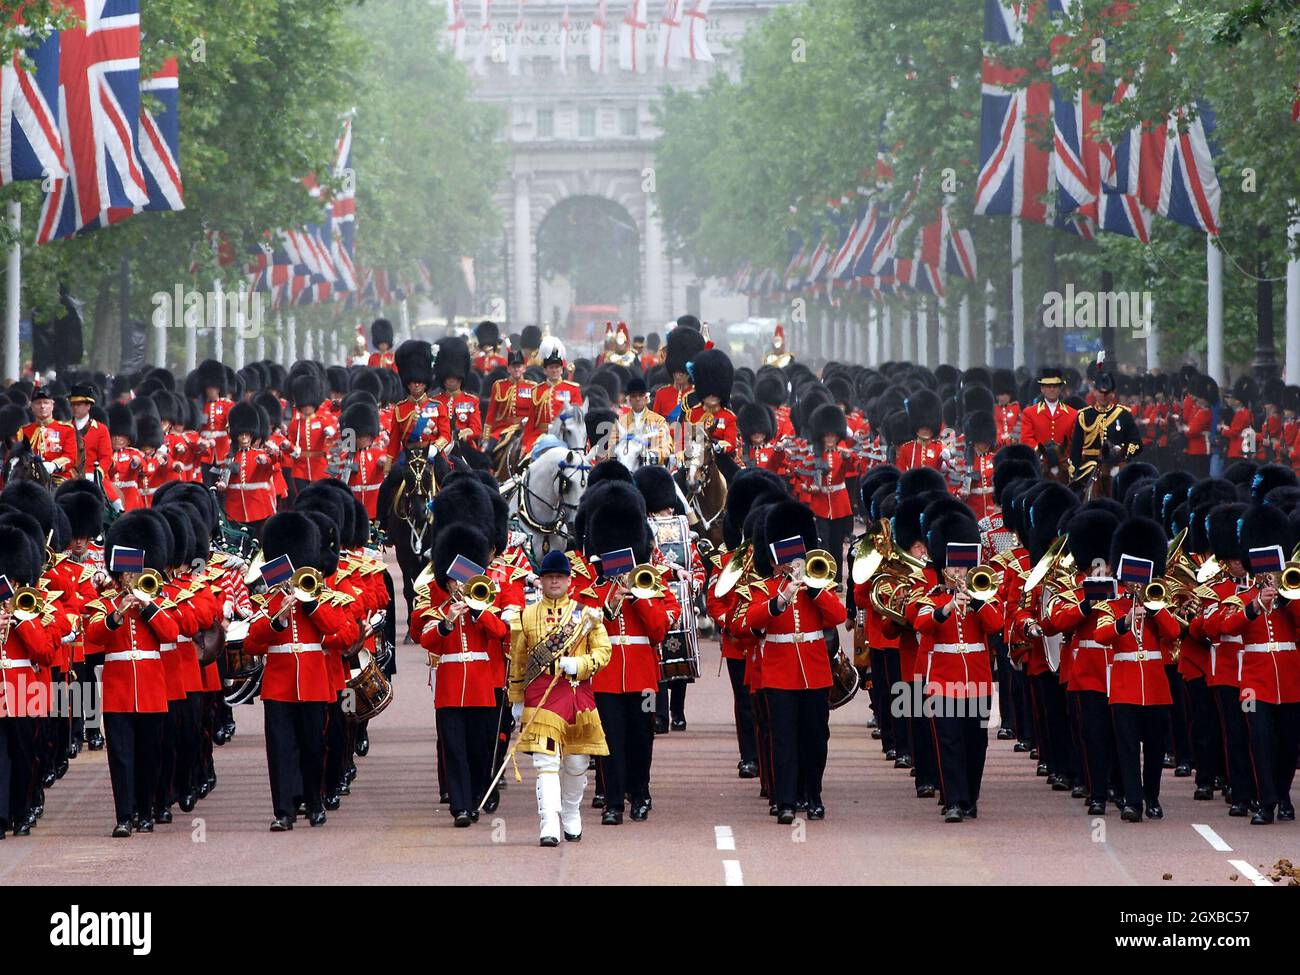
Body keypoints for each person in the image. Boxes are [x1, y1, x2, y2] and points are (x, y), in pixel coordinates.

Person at [241, 512, 359, 831]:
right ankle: (284, 811)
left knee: (313, 746)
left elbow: (339, 630)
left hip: (313, 683)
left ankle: (315, 802)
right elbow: (251, 643)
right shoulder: (269, 601)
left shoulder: (322, 598)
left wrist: (309, 603)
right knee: (280, 750)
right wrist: (276, 619)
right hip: (278, 685)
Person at [744, 500, 846, 823]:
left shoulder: (817, 586)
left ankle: (813, 795)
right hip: (779, 673)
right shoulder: (765, 588)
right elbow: (752, 619)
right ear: (774, 561)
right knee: (784, 738)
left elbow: (839, 615)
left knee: (816, 737)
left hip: (815, 672)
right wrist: (782, 598)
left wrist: (813, 590)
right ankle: (787, 800)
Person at [83, 511, 182, 837]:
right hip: (118, 691)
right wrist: (117, 612)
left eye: (133, 574)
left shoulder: (157, 600)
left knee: (149, 755)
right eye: (124, 575)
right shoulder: (105, 603)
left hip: (152, 690)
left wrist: (147, 606)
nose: (129, 579)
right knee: (122, 758)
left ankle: (145, 811)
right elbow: (95, 635)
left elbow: (170, 634)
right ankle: (124, 816)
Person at [583, 483, 677, 824]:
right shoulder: (593, 591)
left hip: (644, 678)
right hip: (606, 677)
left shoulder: (653, 585)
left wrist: (637, 597)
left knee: (642, 735)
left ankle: (641, 792)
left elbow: (658, 630)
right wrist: (611, 600)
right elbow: (584, 627)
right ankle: (613, 802)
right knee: (609, 740)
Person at [507, 548, 611, 847]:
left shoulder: (587, 615)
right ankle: (548, 822)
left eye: (560, 577)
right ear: (540, 581)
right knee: (546, 762)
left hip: (576, 693)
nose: (554, 582)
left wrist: (580, 665)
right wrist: (516, 699)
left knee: (577, 763)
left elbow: (604, 652)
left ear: (569, 581)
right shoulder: (525, 616)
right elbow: (518, 660)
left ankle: (570, 811)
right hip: (541, 694)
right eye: (549, 577)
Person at [420, 525, 507, 827]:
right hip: (451, 688)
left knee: (478, 748)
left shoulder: (483, 608)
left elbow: (500, 632)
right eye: (456, 580)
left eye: (466, 580)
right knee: (454, 750)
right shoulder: (439, 611)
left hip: (481, 688)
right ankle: (460, 807)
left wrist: (478, 611)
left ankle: (475, 799)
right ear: (448, 582)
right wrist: (448, 621)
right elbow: (427, 638)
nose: (461, 585)